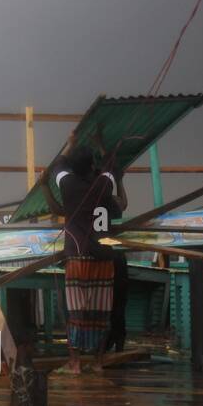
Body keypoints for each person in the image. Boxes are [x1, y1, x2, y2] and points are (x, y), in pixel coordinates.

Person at [42, 130, 127, 374]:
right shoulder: (103, 185)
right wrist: (101, 144)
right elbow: (113, 166)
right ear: (92, 166)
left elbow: (56, 165)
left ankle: (75, 362)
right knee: (101, 310)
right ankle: (99, 361)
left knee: (75, 311)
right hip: (103, 258)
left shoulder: (67, 185)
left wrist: (69, 144)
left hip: (77, 257)